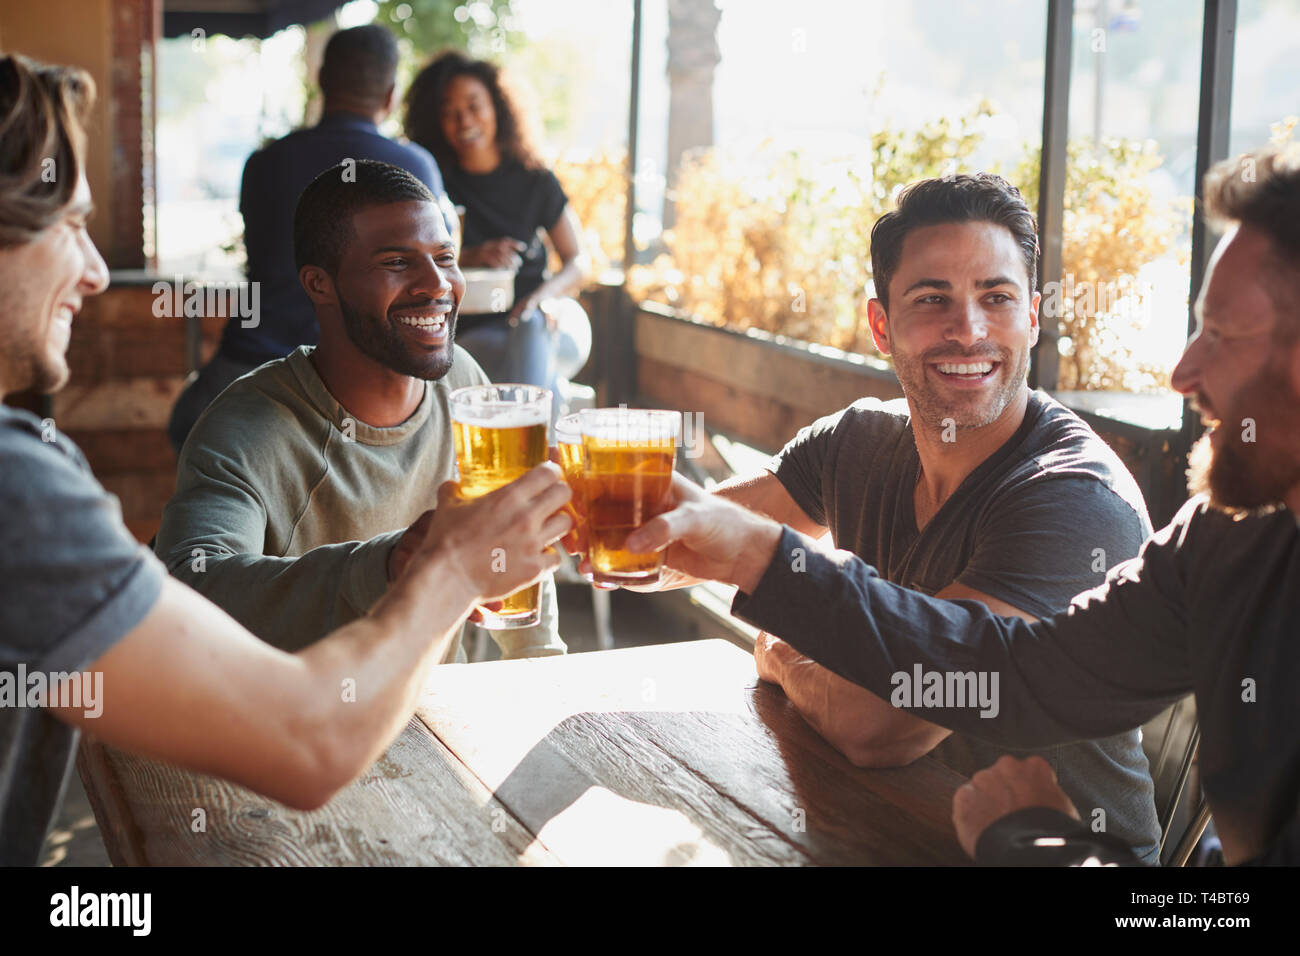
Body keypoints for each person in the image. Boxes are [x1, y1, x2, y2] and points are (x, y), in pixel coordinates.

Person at [625, 145, 1300, 866]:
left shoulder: (1080, 499)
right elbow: (1013, 675)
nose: (1181, 373)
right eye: (933, 298)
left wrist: (1046, 846)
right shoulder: (1237, 530)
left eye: (1222, 334)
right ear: (882, 326)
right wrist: (760, 557)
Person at [0, 52, 572, 866]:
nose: (95, 272)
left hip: (454, 767)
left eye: (445, 258)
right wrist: (427, 565)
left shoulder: (471, 392)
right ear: (321, 284)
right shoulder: (29, 489)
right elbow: (300, 734)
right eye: (66, 225)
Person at [154, 160, 567, 660]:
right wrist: (389, 566)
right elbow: (188, 586)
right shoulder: (246, 426)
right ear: (319, 284)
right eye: (397, 262)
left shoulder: (463, 382)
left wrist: (540, 663)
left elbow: (513, 541)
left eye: (445, 257)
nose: (436, 284)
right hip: (297, 727)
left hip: (436, 717)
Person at [167, 24, 457, 453]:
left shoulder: (264, 163)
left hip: (252, 355)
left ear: (321, 80)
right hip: (352, 372)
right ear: (390, 94)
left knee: (187, 426)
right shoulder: (415, 165)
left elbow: (261, 257)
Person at [404, 50, 591, 415]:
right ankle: (542, 452)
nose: (464, 121)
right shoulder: (434, 183)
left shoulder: (534, 178)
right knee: (530, 373)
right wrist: (469, 256)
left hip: (554, 322)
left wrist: (546, 297)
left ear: (498, 107)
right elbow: (412, 259)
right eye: (450, 113)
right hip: (477, 335)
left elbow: (578, 261)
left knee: (531, 327)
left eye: (475, 106)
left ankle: (528, 449)